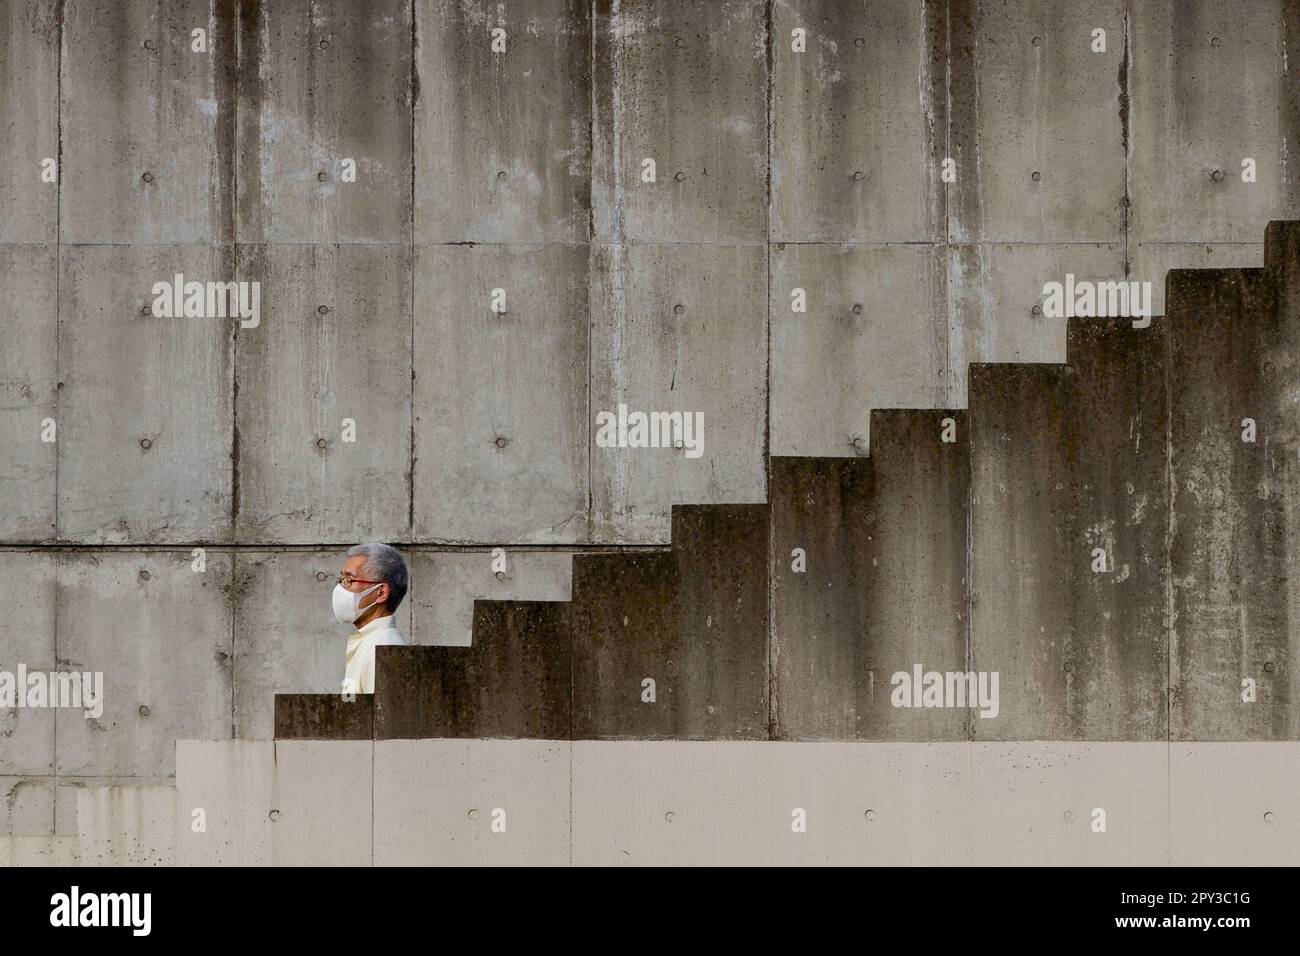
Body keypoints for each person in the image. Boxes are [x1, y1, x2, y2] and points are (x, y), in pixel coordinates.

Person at [332, 543, 409, 694]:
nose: (340, 588)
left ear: (381, 593)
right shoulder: (366, 643)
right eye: (341, 579)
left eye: (349, 580)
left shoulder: (383, 652)